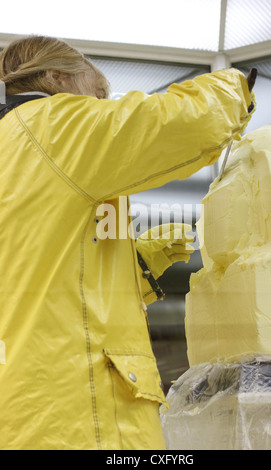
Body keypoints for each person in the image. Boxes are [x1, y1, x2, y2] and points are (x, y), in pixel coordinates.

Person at [0, 35, 255, 450]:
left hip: (30, 409)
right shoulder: (55, 125)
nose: (101, 106)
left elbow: (41, 275)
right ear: (56, 78)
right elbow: (176, 122)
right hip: (82, 413)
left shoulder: (11, 142)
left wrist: (136, 262)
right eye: (97, 93)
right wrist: (234, 89)